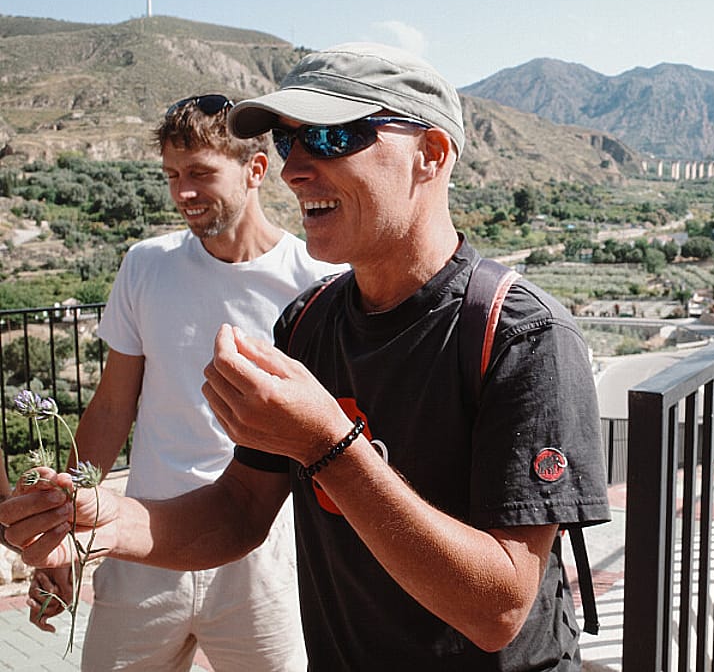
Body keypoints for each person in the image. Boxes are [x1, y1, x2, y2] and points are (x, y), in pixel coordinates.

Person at [1, 44, 611, 671]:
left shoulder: (523, 336)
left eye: (330, 136)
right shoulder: (308, 321)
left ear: (430, 153)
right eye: (290, 142)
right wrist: (105, 522)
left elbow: (499, 613)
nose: (295, 169)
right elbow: (241, 509)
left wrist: (328, 446)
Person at [31, 94, 342, 670]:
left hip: (264, 557)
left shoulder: (318, 282)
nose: (183, 193)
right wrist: (64, 532)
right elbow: (111, 408)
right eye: (172, 175)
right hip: (144, 540)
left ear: (255, 169)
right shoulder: (146, 265)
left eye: (200, 173)